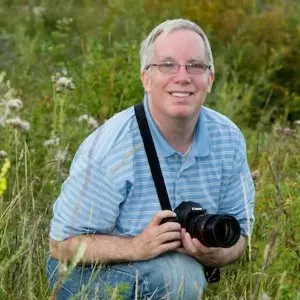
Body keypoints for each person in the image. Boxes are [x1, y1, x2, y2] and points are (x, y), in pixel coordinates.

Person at [46, 18, 255, 299]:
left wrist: (215, 253)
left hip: (169, 269)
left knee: (181, 273)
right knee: (181, 276)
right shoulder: (112, 146)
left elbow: (239, 236)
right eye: (167, 65)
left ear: (210, 79)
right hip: (84, 272)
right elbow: (61, 246)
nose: (182, 76)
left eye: (195, 65)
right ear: (146, 78)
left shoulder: (228, 139)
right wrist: (137, 247)